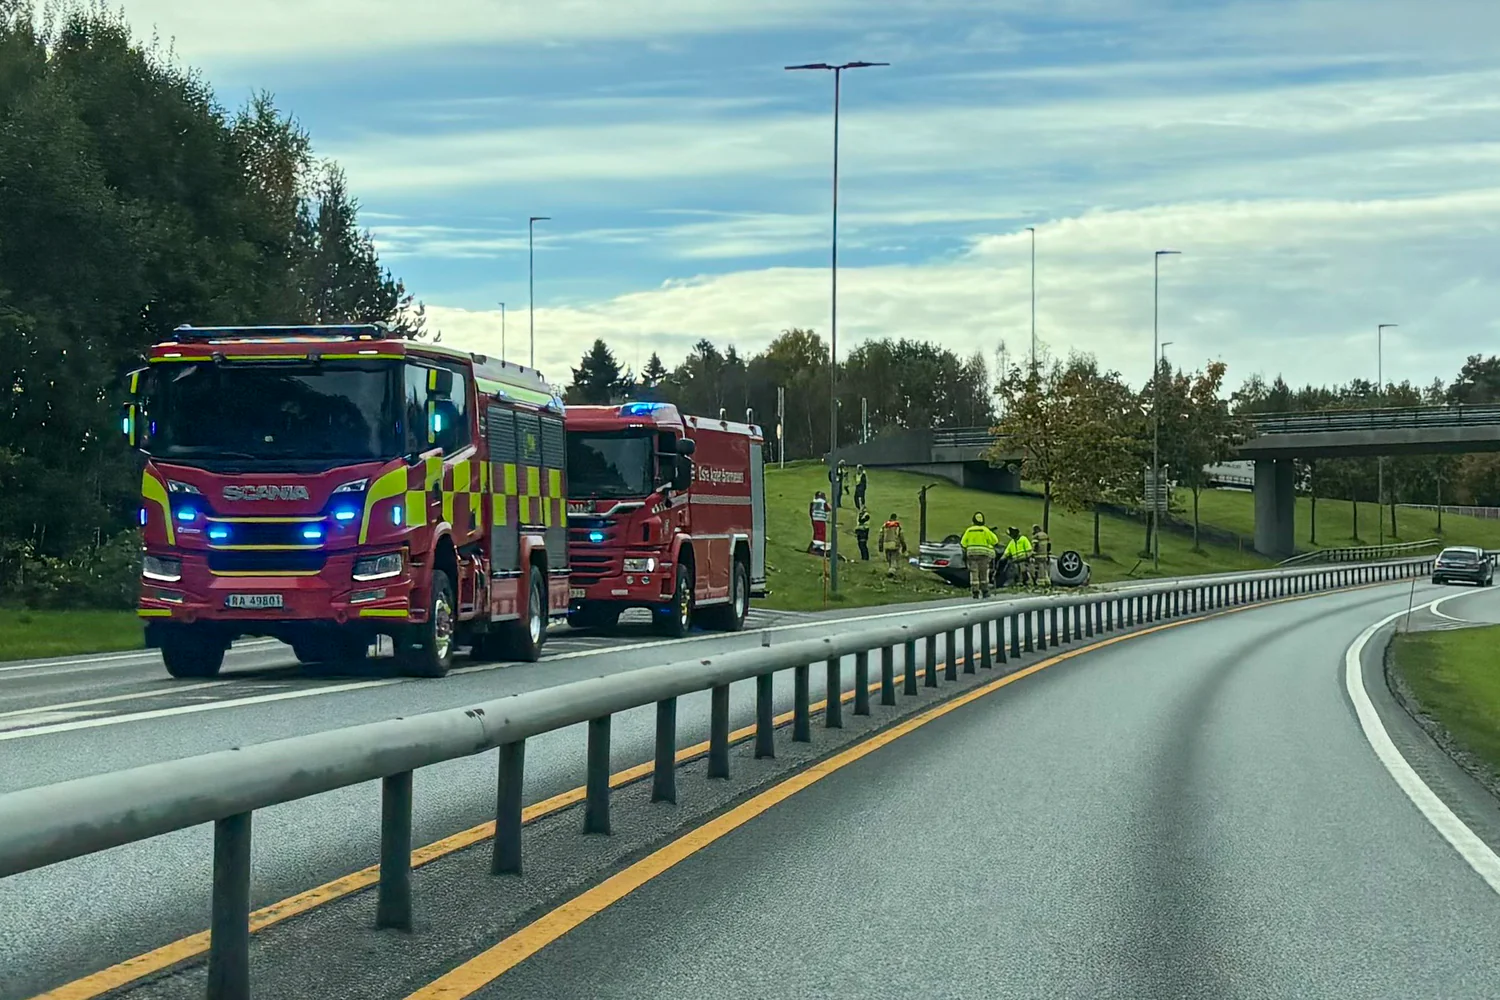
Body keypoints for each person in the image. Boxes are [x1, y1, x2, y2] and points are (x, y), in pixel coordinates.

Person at [959, 512, 999, 599]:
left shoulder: (969, 530)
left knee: (974, 573)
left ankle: (975, 592)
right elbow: (995, 541)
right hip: (983, 555)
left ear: (973, 520)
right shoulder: (985, 530)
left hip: (972, 555)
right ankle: (985, 591)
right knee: (983, 573)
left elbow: (963, 543)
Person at [878, 512, 907, 577]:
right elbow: (901, 536)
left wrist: (880, 546)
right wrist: (904, 546)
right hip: (895, 544)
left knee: (889, 558)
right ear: (895, 518)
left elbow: (881, 536)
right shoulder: (897, 526)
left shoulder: (885, 525)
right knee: (894, 558)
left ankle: (891, 570)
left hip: (886, 544)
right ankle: (892, 571)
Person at [1030, 523, 1052, 588]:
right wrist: (1048, 553)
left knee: (1040, 568)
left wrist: (1033, 553)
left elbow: (1035, 546)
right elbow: (1049, 545)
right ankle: (1047, 581)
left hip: (1038, 555)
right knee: (1045, 567)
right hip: (1045, 554)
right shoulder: (1045, 535)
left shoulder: (1036, 536)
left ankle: (1041, 582)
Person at [808, 491, 830, 555]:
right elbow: (828, 509)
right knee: (821, 534)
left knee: (816, 533)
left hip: (815, 519)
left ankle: (814, 547)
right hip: (821, 520)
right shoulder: (823, 503)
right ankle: (815, 548)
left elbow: (811, 511)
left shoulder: (813, 502)